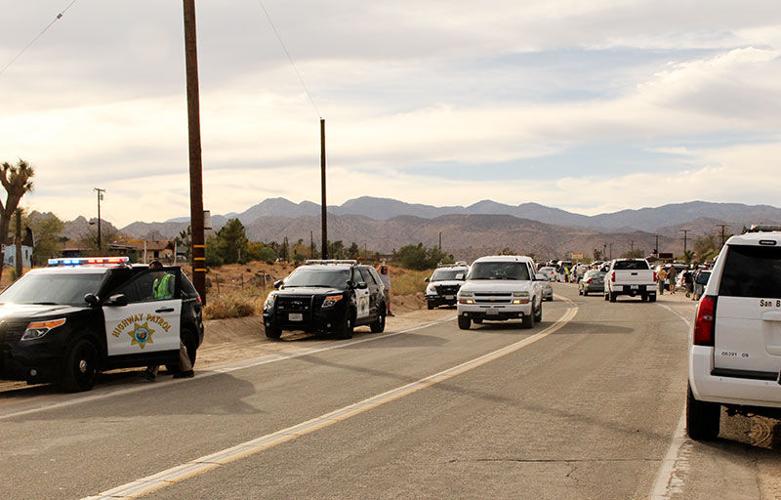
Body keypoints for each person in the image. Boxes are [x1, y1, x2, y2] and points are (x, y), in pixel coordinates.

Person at [144, 260, 194, 381]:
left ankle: (187, 370)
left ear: (159, 270)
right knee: (161, 343)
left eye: (152, 271)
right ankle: (152, 371)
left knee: (175, 342)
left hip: (171, 315)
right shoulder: (156, 282)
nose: (151, 274)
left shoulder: (170, 279)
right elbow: (156, 296)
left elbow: (174, 296)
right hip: (160, 316)